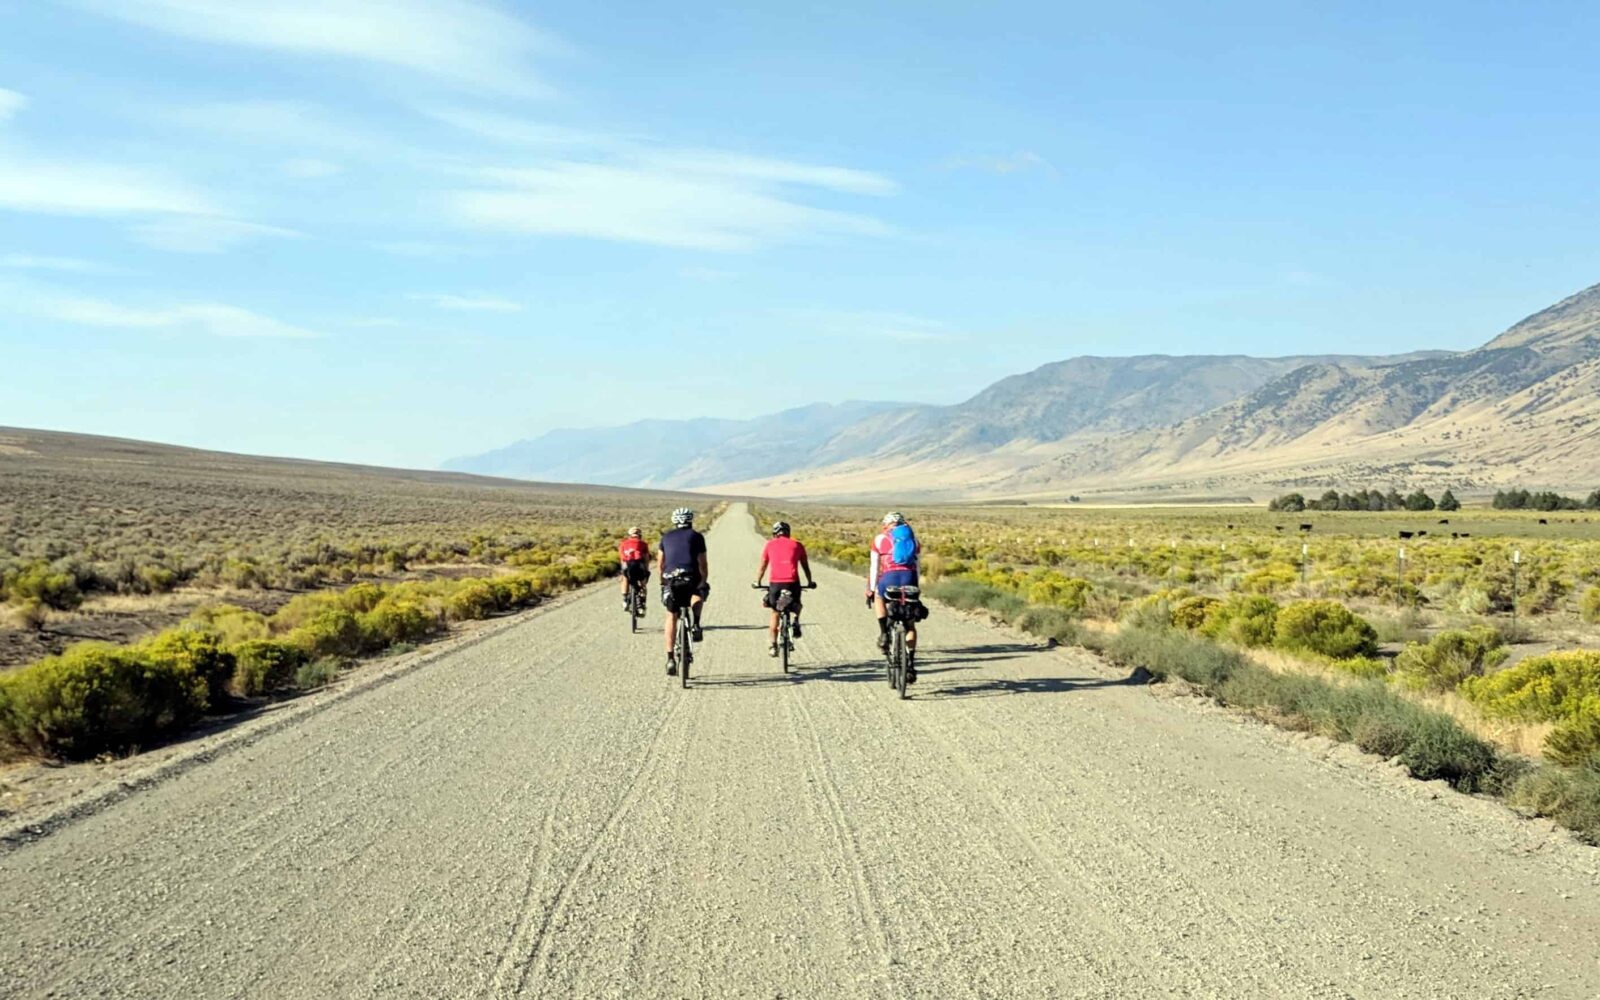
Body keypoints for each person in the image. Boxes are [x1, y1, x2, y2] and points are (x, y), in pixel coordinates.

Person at [868, 510, 920, 682]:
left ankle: (884, 633)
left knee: (879, 597)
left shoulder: (879, 539)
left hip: (888, 577)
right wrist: (915, 587)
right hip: (909, 578)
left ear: (886, 525)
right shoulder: (913, 540)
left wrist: (872, 588)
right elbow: (918, 568)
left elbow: (874, 568)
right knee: (910, 625)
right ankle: (910, 663)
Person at [657, 507, 709, 675]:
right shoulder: (697, 536)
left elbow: (660, 564)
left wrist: (662, 582)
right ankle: (695, 624)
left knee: (671, 615)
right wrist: (703, 581)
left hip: (671, 579)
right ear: (690, 520)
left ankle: (670, 658)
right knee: (697, 594)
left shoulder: (665, 537)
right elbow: (702, 563)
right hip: (690, 576)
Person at [754, 520, 814, 657]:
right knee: (797, 604)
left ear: (775, 533)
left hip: (776, 584)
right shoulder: (797, 545)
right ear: (788, 533)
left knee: (775, 612)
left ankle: (773, 646)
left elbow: (763, 565)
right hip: (792, 583)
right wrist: (810, 581)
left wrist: (757, 581)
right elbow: (805, 566)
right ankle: (795, 622)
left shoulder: (769, 545)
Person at [617, 527, 651, 612]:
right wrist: (646, 570)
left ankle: (625, 600)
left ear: (629, 535)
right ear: (640, 535)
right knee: (643, 582)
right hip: (639, 566)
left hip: (627, 565)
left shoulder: (623, 544)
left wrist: (622, 573)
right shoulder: (643, 544)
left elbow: (622, 559)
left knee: (625, 578)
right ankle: (642, 603)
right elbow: (646, 558)